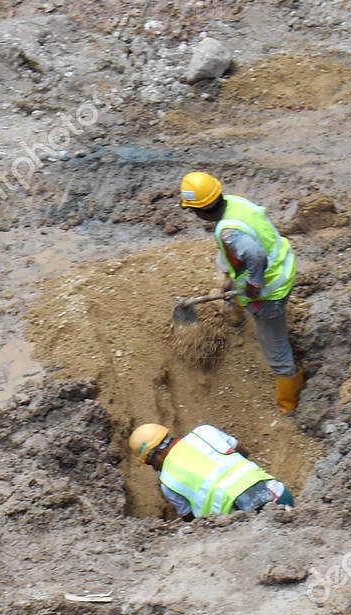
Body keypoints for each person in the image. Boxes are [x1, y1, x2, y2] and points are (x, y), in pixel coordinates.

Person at [178, 170, 305, 413]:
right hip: (285, 267)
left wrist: (254, 285)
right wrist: (230, 279)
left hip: (271, 292)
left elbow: (255, 255)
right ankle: (236, 315)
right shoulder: (236, 205)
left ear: (199, 210)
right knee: (267, 322)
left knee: (275, 350)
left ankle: (290, 403)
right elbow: (240, 250)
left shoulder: (229, 231)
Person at [128, 423, 293, 520]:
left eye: (151, 463)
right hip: (279, 495)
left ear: (156, 455)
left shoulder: (167, 481)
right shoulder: (204, 431)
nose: (155, 469)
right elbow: (243, 452)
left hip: (245, 522)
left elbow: (194, 522)